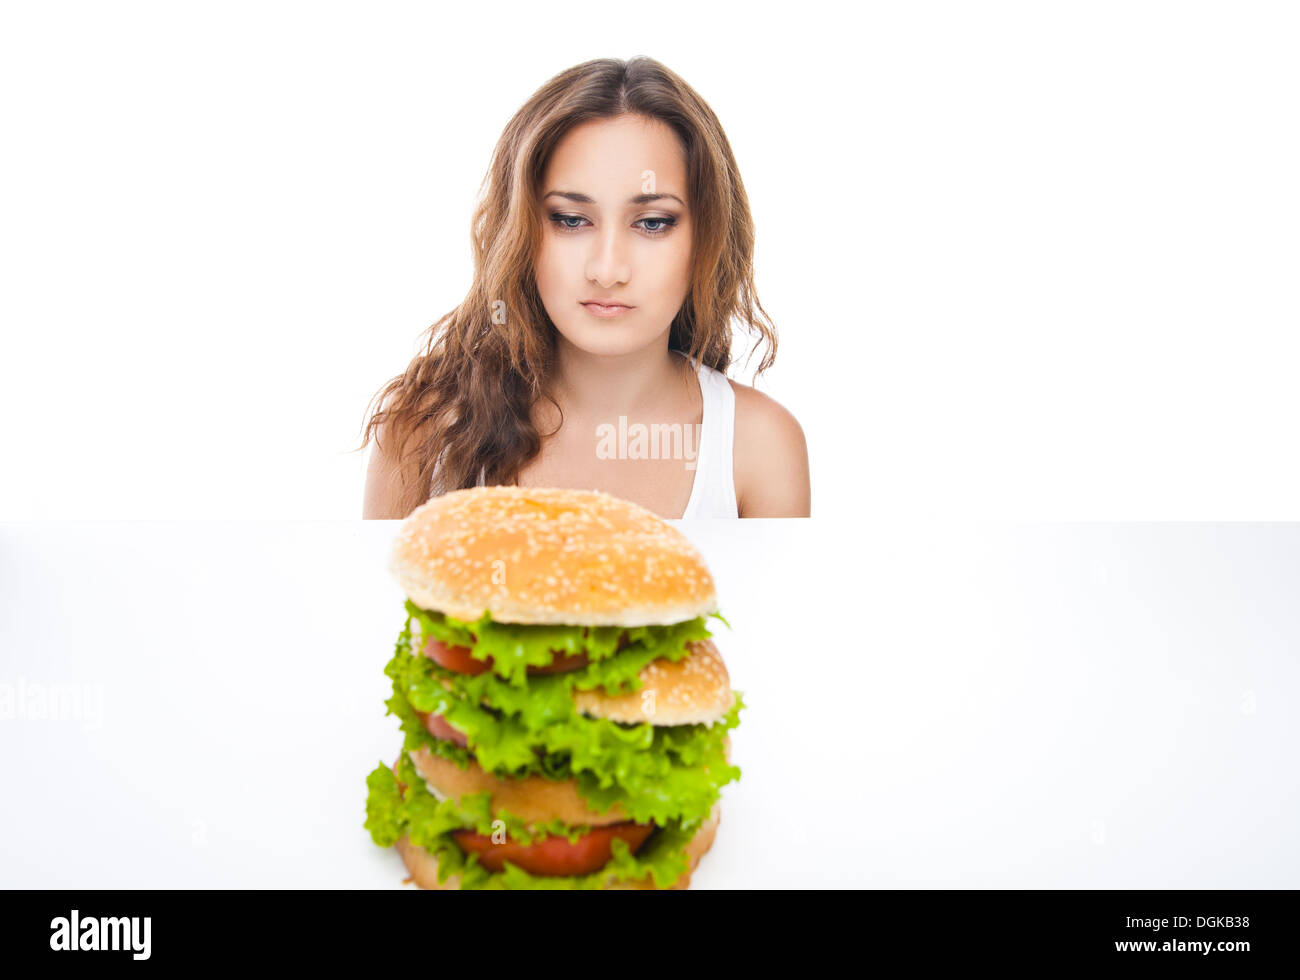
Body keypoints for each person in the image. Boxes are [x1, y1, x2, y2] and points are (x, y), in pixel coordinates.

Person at [359, 57, 809, 519]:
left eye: (653, 223)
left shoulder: (759, 448)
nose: (607, 269)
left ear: (707, 237)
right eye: (571, 220)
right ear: (519, 232)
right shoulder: (422, 429)